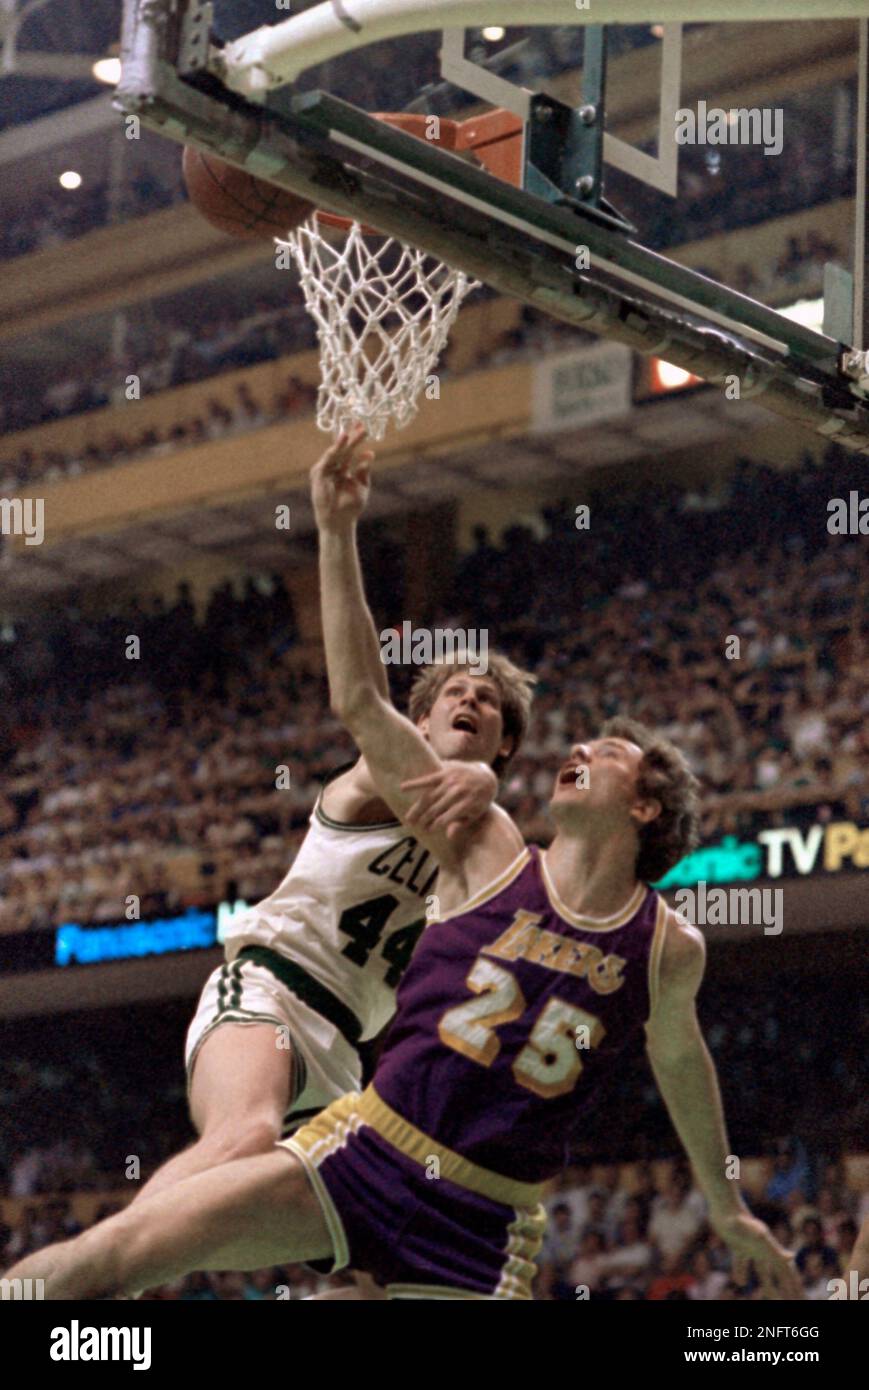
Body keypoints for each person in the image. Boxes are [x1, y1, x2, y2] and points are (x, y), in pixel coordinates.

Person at [7, 432, 802, 1301]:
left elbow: (682, 1066)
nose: (470, 701)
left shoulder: (657, 941)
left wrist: (724, 1206)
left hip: (425, 1143)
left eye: (488, 704)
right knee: (217, 1165)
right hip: (285, 1002)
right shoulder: (464, 821)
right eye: (451, 696)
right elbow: (357, 700)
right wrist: (335, 527)